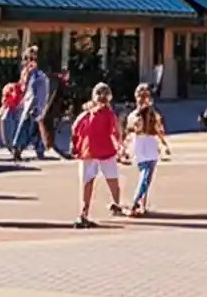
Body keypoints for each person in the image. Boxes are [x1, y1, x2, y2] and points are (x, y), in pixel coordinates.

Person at [70, 83, 123, 228]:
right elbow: (116, 131)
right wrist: (120, 145)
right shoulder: (108, 113)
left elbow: (75, 126)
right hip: (103, 149)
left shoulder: (88, 112)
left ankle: (84, 212)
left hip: (89, 150)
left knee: (88, 181)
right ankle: (115, 204)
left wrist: (74, 143)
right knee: (111, 178)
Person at [11, 47, 56, 162]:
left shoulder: (37, 74)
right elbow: (28, 89)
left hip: (35, 103)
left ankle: (37, 149)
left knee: (33, 127)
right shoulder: (32, 73)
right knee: (28, 127)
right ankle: (19, 149)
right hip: (32, 103)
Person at [126, 101, 169, 217]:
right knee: (145, 176)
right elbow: (130, 131)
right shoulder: (136, 117)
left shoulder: (153, 117)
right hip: (142, 149)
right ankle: (135, 201)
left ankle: (141, 204)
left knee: (147, 178)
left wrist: (164, 145)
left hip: (151, 149)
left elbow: (159, 131)